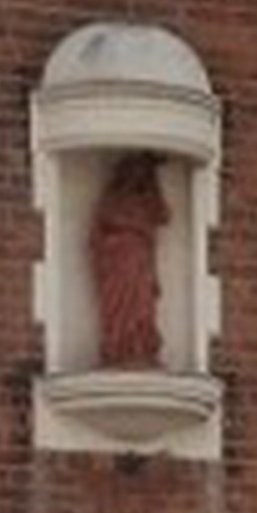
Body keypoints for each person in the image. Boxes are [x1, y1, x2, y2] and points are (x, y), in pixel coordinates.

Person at [90, 152, 169, 368]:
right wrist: (135, 228)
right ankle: (118, 351)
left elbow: (163, 215)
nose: (137, 179)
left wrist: (154, 181)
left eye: (141, 175)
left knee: (142, 306)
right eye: (135, 174)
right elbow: (101, 228)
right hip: (118, 259)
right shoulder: (112, 198)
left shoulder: (146, 201)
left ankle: (141, 350)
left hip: (141, 260)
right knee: (119, 308)